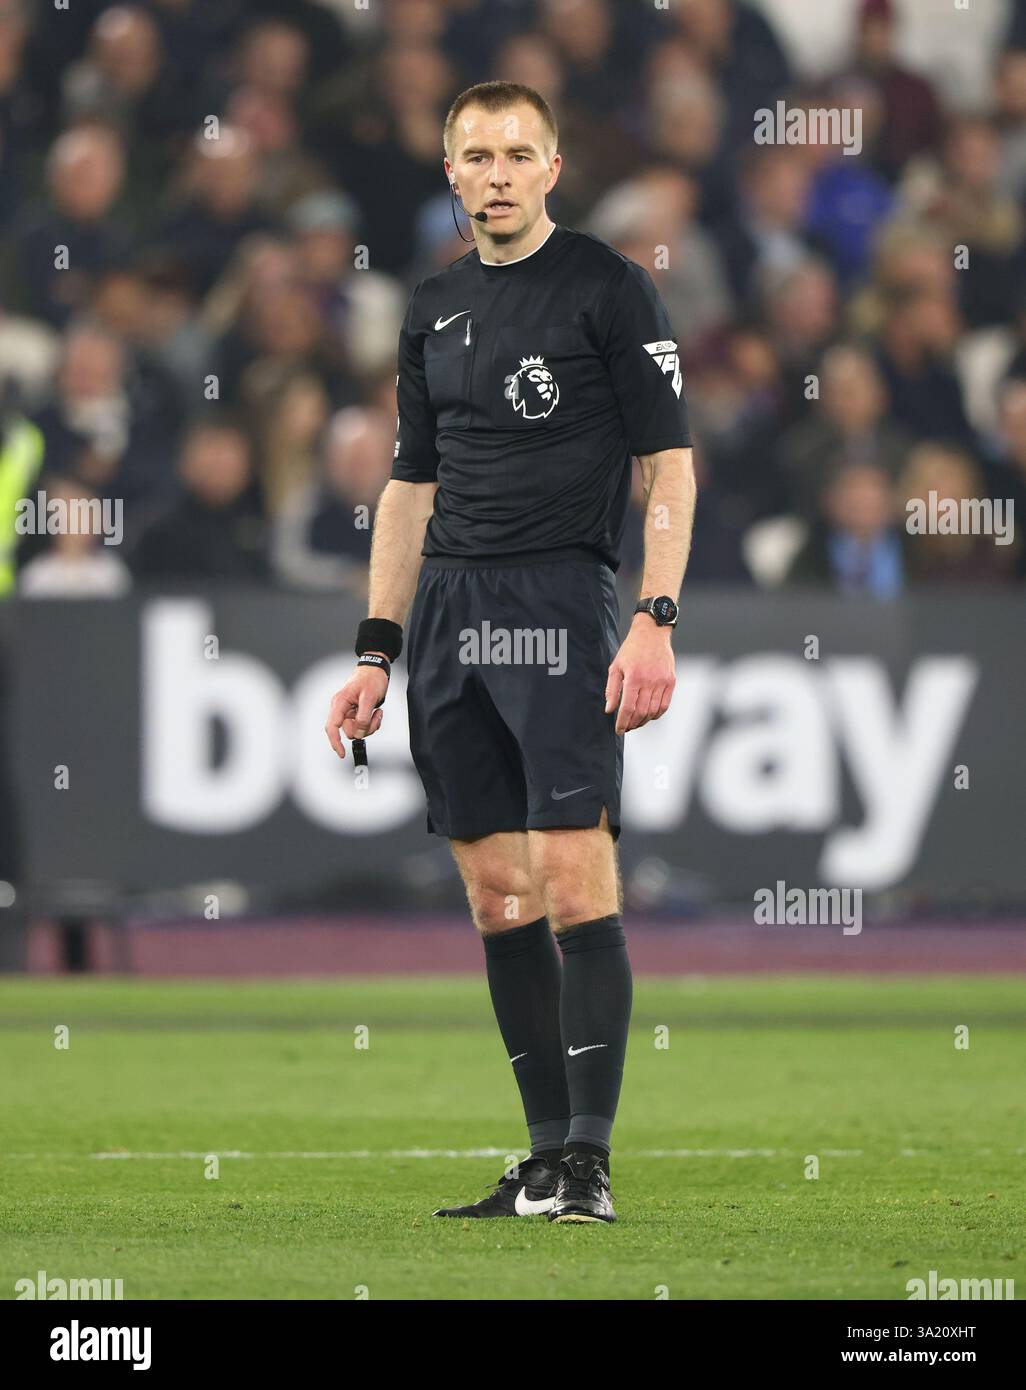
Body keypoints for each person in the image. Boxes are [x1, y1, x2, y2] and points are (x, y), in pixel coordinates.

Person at [325, 81, 696, 1224]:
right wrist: (376, 650)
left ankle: (589, 1161)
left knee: (574, 872)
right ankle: (541, 1158)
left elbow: (668, 464)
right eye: (476, 154)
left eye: (516, 153)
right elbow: (408, 485)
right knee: (496, 894)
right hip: (447, 611)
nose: (495, 172)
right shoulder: (431, 305)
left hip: (560, 598)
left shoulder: (608, 287)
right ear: (451, 172)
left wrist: (655, 614)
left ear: (551, 167)